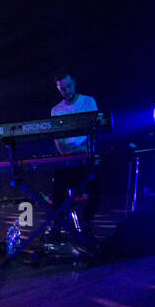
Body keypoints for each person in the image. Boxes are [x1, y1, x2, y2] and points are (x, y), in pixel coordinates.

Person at [49, 69, 100, 235]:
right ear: (58, 89)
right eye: (62, 88)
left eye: (69, 86)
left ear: (74, 83)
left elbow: (94, 130)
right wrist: (68, 154)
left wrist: (83, 149)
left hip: (87, 154)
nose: (67, 91)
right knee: (57, 190)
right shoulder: (56, 110)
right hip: (67, 158)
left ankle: (86, 223)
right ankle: (57, 225)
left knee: (96, 188)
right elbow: (58, 139)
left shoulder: (88, 102)